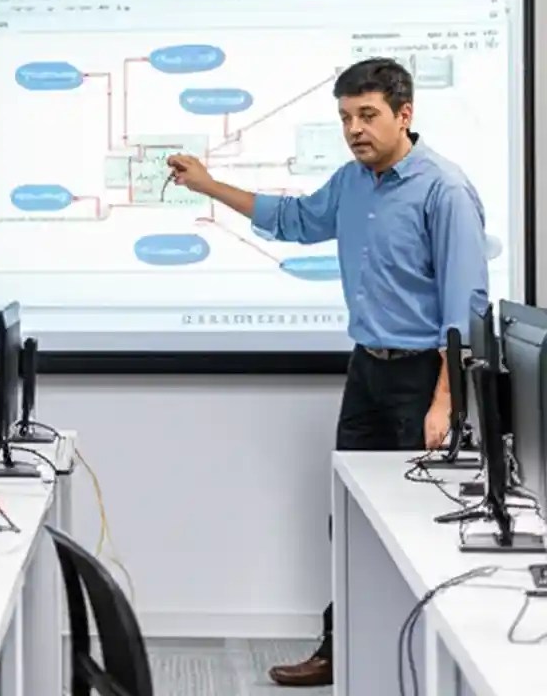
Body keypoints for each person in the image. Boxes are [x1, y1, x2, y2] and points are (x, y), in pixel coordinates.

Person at [166, 57, 488, 687]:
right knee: (350, 519)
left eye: (367, 115)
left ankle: (420, 663)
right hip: (367, 371)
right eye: (345, 117)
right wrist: (208, 185)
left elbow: (465, 307)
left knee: (418, 522)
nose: (355, 129)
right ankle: (342, 651)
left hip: (424, 379)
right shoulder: (350, 183)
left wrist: (445, 402)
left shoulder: (443, 190)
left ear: (405, 114)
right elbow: (291, 220)